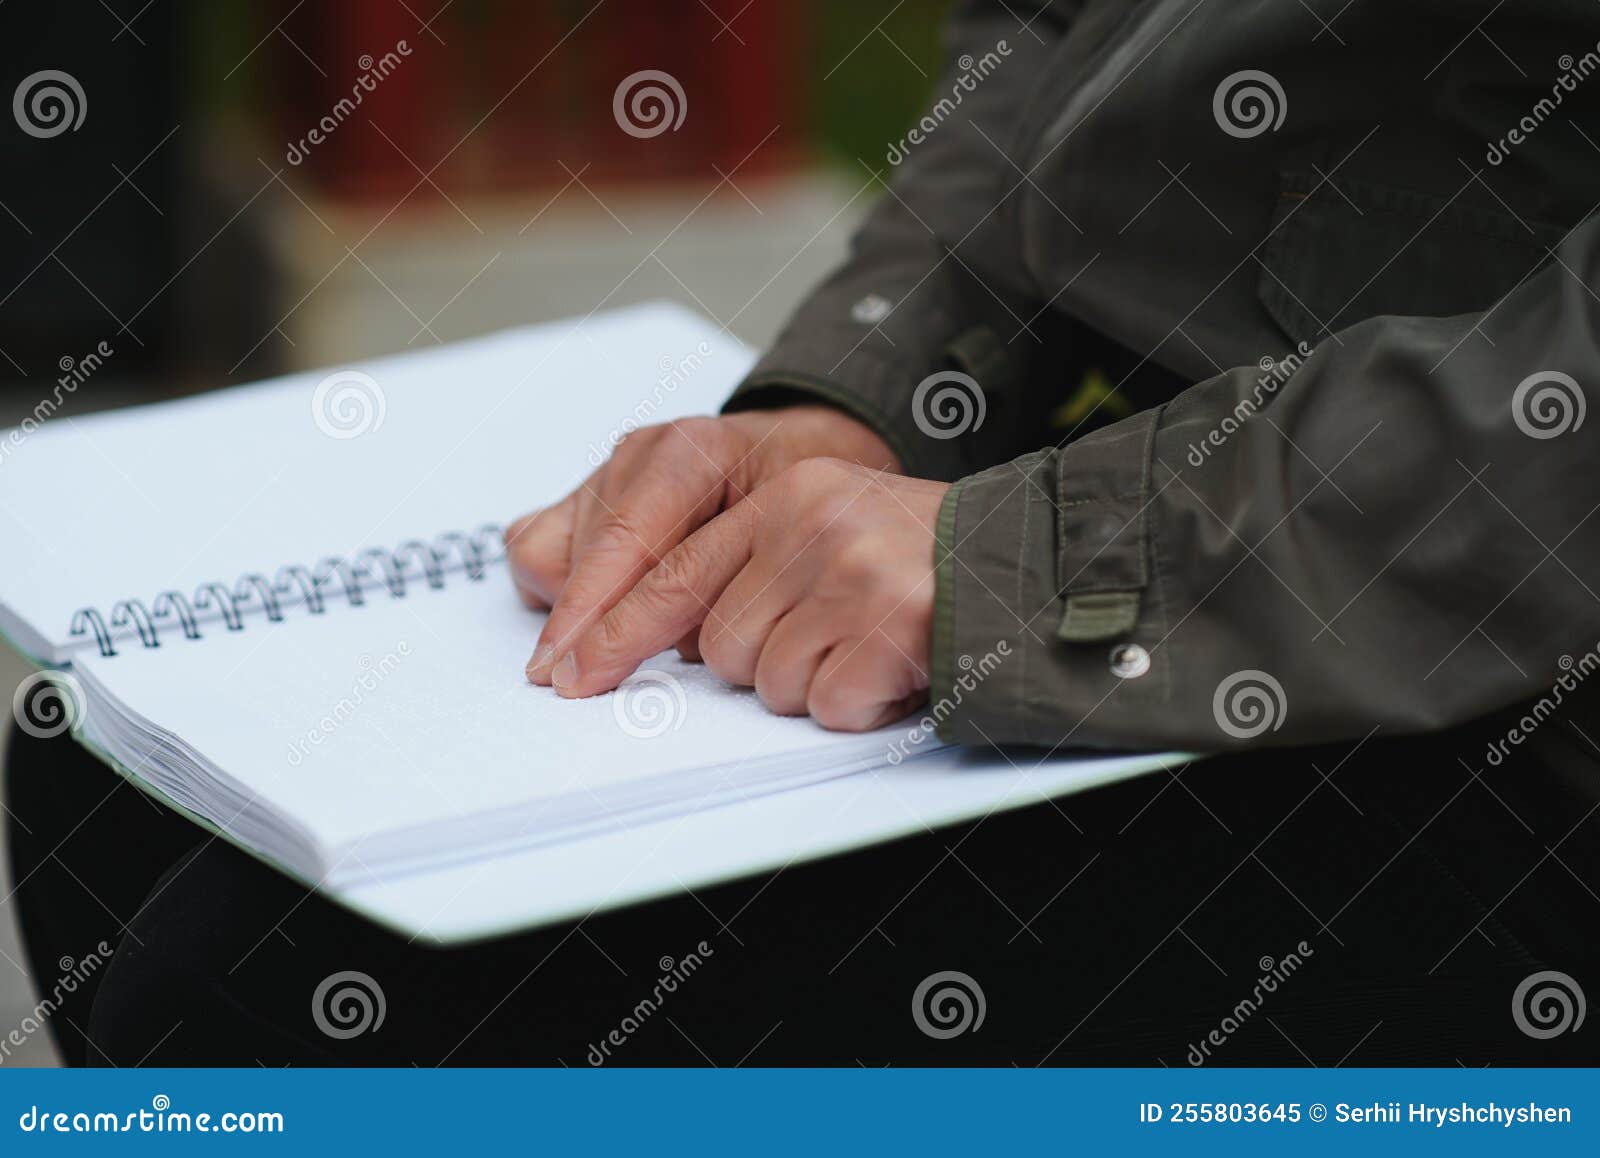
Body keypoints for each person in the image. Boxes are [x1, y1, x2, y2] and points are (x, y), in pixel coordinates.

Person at [8, 0, 1600, 1065]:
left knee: (272, 997)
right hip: (1176, 452)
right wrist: (870, 394)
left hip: (1512, 702)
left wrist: (1029, 565)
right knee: (96, 772)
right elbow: (1059, 32)